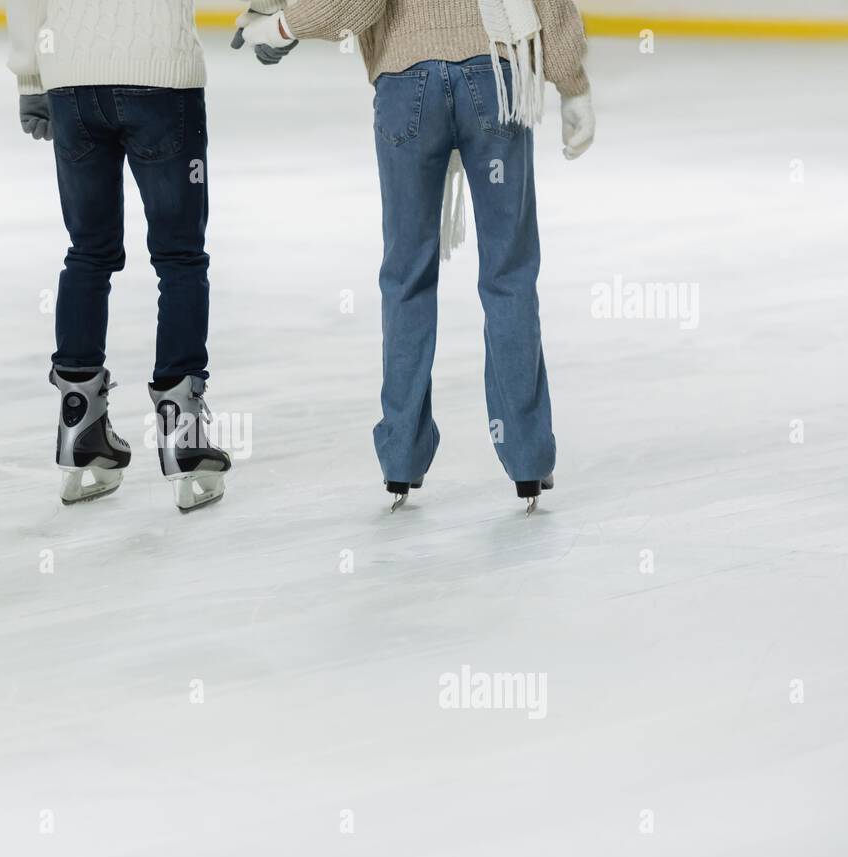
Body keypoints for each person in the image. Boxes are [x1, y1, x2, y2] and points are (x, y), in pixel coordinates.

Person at [235, 0, 596, 514]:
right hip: (494, 75)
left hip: (408, 85)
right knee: (509, 274)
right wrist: (572, 81)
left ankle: (401, 459)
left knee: (406, 277)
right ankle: (528, 459)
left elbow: (354, 4)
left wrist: (279, 24)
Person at [4, 1, 282, 512]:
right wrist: (267, 14)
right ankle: (183, 433)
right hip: (161, 79)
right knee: (180, 258)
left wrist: (30, 77)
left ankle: (80, 427)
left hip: (71, 80)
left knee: (88, 252)